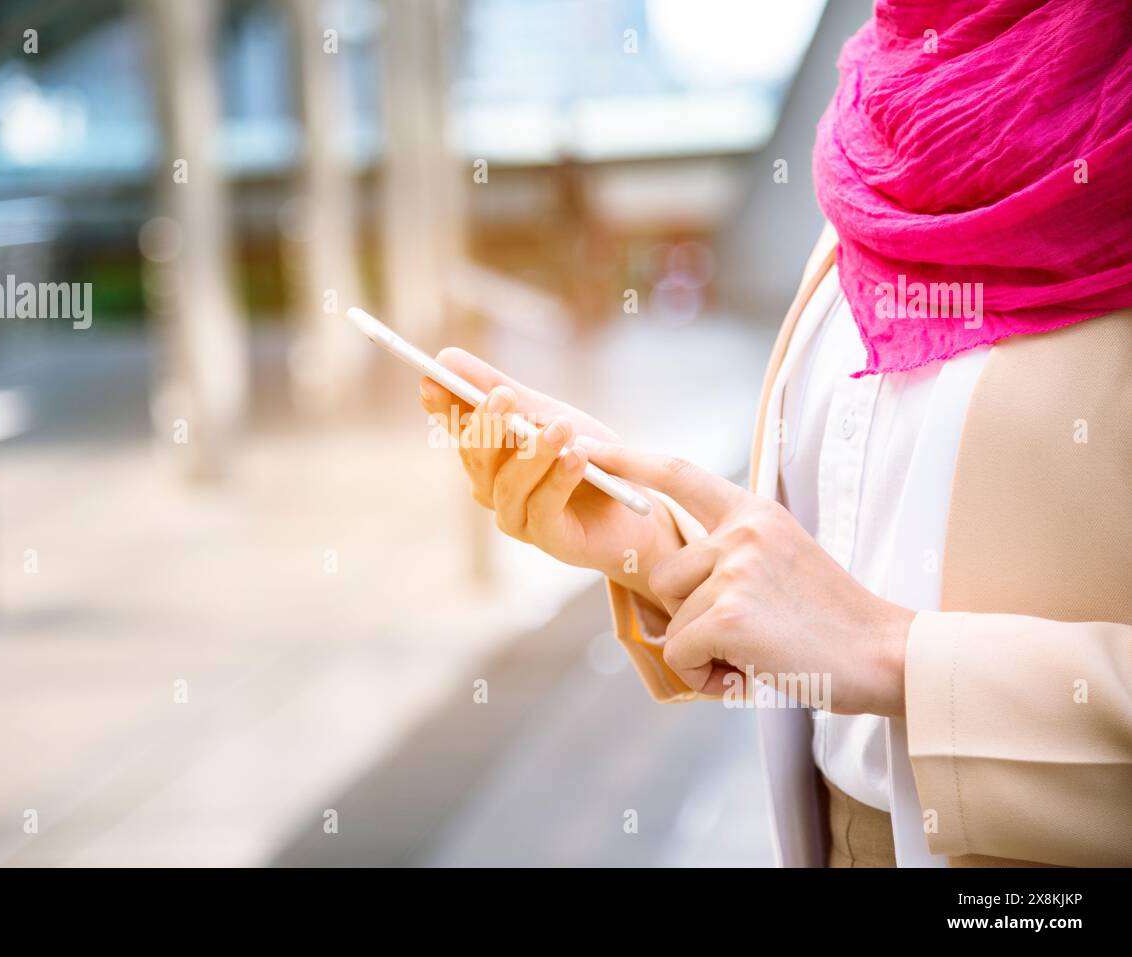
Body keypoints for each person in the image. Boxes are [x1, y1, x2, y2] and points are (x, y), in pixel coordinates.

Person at [418, 0, 1132, 867]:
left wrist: (893, 653)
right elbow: (849, 571)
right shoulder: (880, 134)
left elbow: (857, 631)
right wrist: (657, 542)